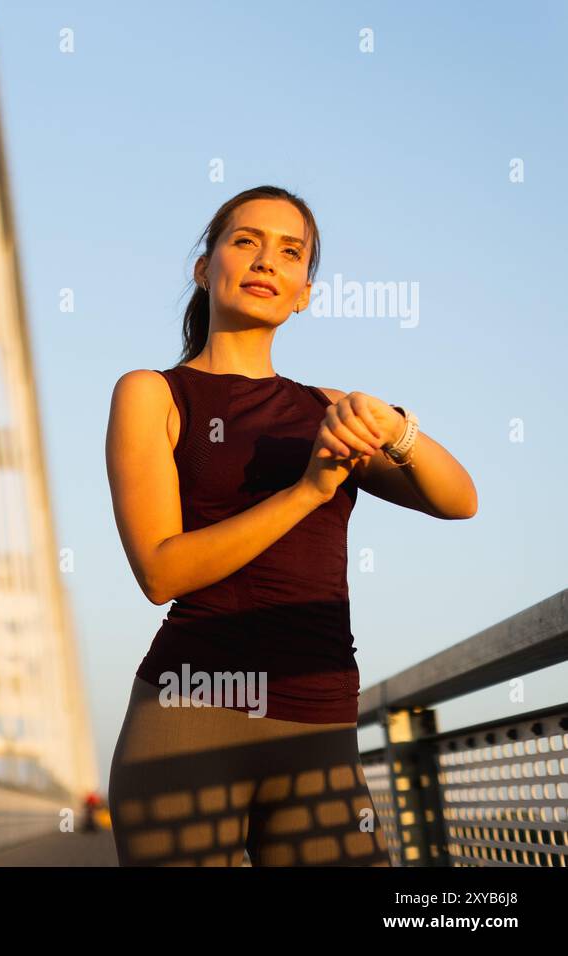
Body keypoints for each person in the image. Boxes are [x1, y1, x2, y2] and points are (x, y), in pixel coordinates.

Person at [104, 185, 478, 866]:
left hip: (322, 718)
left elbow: (459, 500)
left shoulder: (330, 409)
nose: (266, 260)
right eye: (244, 241)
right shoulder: (151, 393)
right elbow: (161, 572)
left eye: (290, 252)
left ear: (304, 292)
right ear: (204, 266)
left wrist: (398, 431)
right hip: (190, 713)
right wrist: (309, 490)